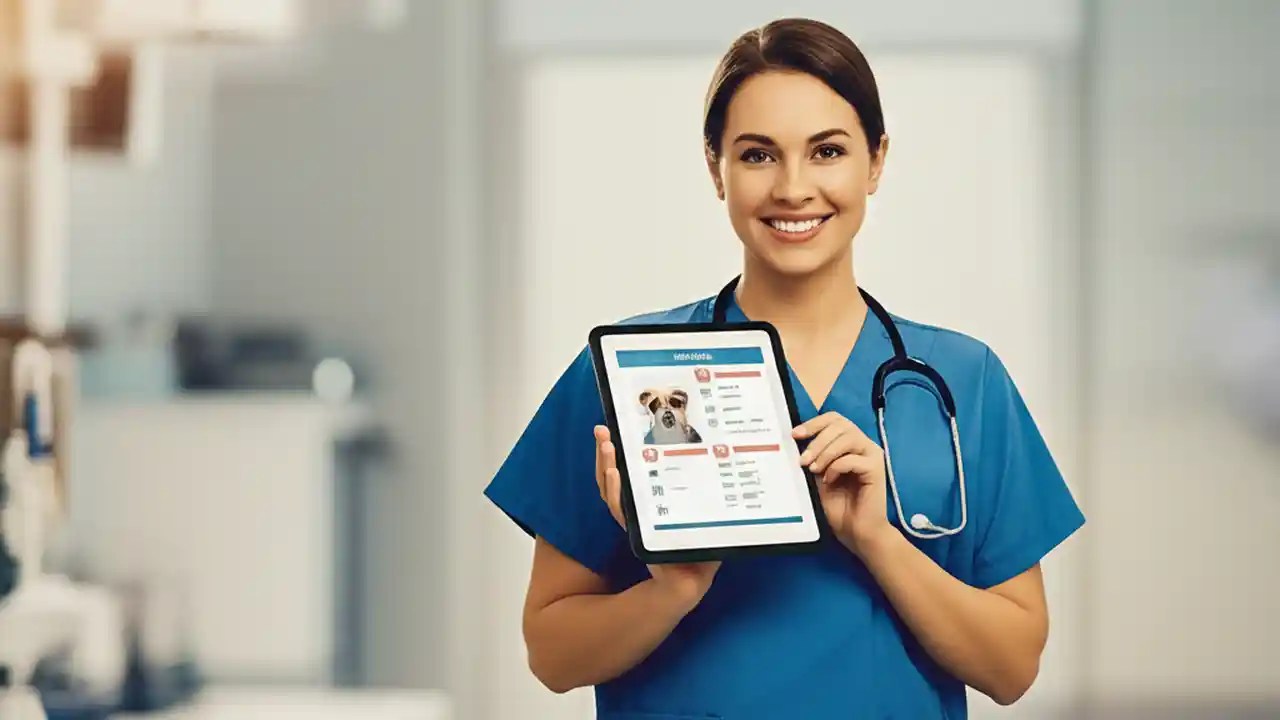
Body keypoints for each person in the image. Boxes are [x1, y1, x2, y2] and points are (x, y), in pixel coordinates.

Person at [484, 17, 1085, 720]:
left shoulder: (964, 381)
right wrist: (674, 587)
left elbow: (1011, 668)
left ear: (876, 161)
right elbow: (552, 657)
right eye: (758, 155)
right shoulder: (627, 377)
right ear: (717, 169)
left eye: (827, 151)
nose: (794, 188)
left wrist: (875, 539)